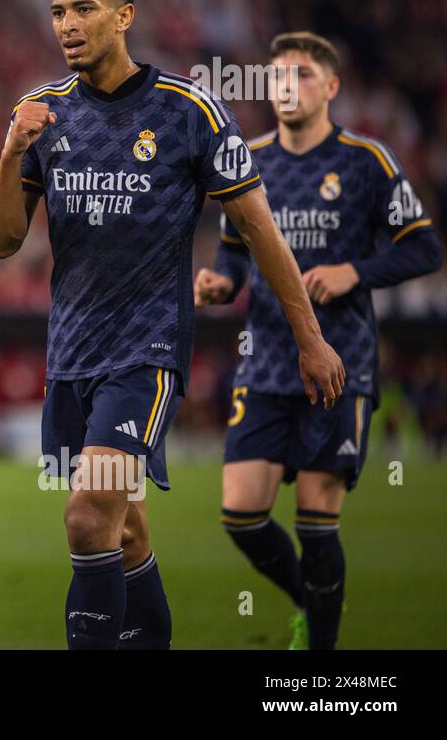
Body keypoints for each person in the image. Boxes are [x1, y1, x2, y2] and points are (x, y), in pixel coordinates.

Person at [0, 0, 345, 650]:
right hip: (71, 355)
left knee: (88, 517)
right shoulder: (42, 114)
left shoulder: (188, 111)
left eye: (84, 9)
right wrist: (8, 154)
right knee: (125, 531)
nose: (67, 25)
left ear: (125, 16)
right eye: (58, 11)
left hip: (145, 354)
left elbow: (260, 228)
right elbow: (1, 240)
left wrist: (310, 337)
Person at [195, 31, 442, 649]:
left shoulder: (367, 161)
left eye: (301, 75)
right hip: (266, 363)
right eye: (277, 76)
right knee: (241, 513)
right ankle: (314, 600)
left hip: (340, 363)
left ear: (331, 87)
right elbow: (233, 253)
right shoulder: (243, 159)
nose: (286, 86)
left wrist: (355, 270)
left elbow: (424, 248)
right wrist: (220, 283)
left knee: (315, 520)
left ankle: (320, 661)